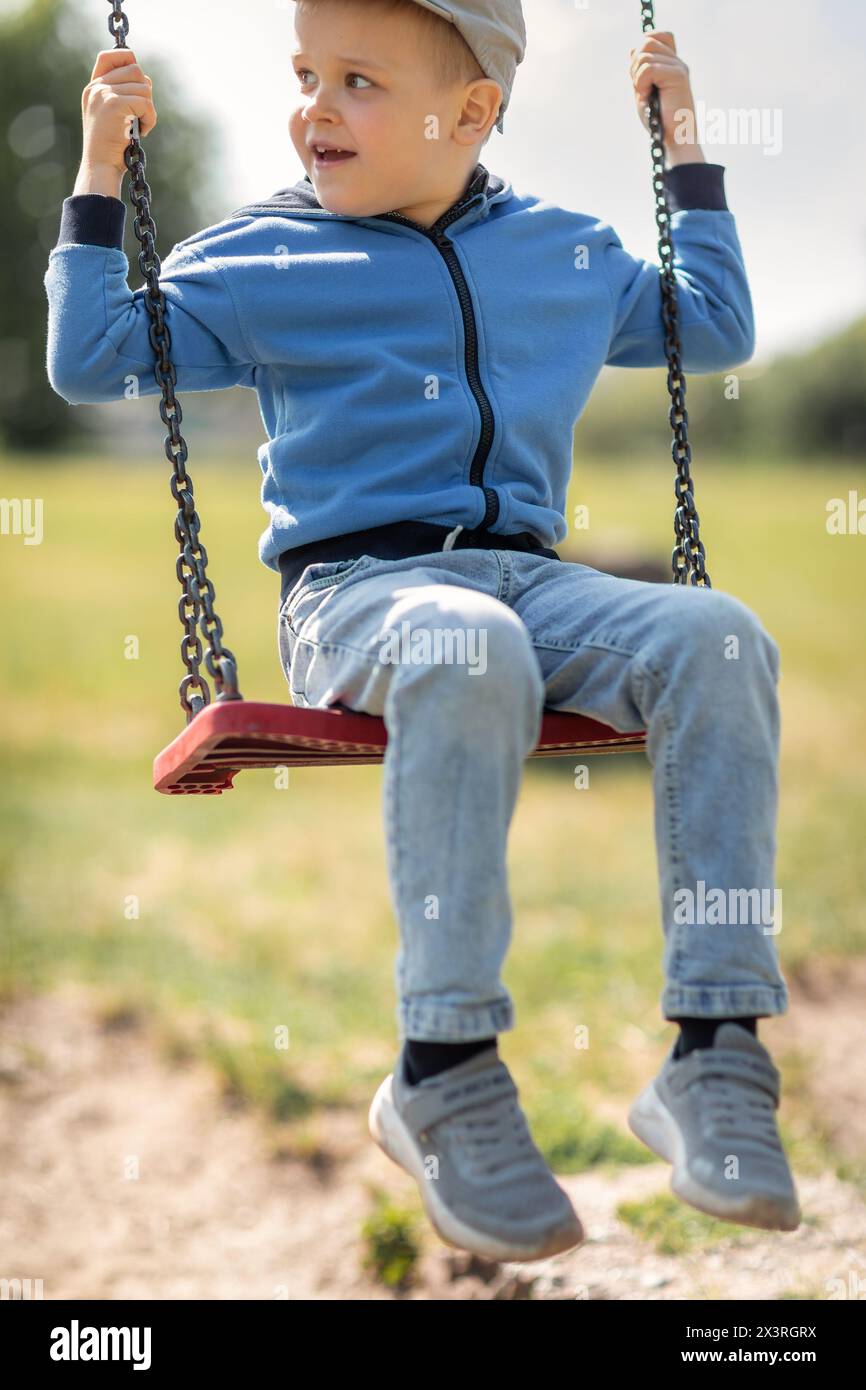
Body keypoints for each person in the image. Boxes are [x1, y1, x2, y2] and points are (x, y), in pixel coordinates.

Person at [44, 0, 800, 1263]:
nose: (313, 108)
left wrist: (684, 149)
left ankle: (713, 1057)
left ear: (471, 115)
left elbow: (709, 326)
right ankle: (441, 1067)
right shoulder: (262, 256)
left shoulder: (558, 251)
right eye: (303, 75)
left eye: (356, 80)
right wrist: (99, 170)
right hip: (357, 597)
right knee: (466, 641)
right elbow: (92, 356)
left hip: (531, 581)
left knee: (719, 635)